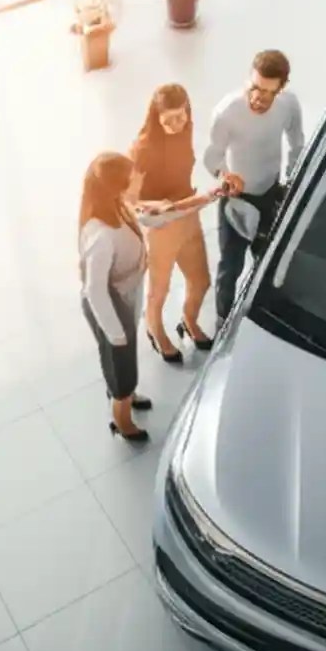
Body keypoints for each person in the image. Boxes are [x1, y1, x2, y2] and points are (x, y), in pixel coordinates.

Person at [78, 152, 223, 441]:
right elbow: (94, 290)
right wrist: (116, 334)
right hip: (110, 305)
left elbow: (162, 215)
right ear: (117, 187)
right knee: (121, 363)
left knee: (122, 361)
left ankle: (125, 394)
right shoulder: (102, 235)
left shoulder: (121, 207)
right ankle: (122, 420)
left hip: (124, 297)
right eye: (133, 178)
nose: (140, 179)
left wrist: (208, 197)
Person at [203, 49, 305, 330]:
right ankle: (223, 323)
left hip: (271, 194)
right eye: (255, 88)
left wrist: (291, 180)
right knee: (230, 267)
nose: (259, 98)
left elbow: (297, 144)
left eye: (269, 92)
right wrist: (224, 174)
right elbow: (212, 156)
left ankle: (270, 320)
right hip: (236, 199)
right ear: (248, 78)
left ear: (281, 88)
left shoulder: (289, 105)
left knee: (273, 261)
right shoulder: (227, 111)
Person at [129, 84, 214, 364]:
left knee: (201, 281)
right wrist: (161, 205)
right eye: (169, 120)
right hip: (162, 226)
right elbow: (130, 200)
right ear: (156, 117)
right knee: (160, 290)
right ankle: (155, 331)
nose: (177, 124)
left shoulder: (186, 131)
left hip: (188, 214)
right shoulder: (143, 148)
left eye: (181, 116)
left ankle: (189, 321)